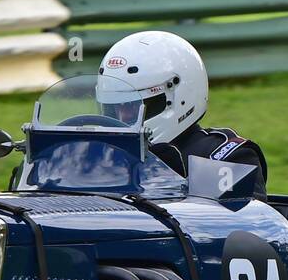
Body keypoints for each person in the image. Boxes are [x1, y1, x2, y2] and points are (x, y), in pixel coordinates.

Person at [95, 30, 268, 196]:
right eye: (115, 108)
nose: (123, 118)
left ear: (177, 96)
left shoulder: (223, 158)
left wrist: (169, 178)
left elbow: (240, 223)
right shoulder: (98, 158)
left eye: (134, 106)